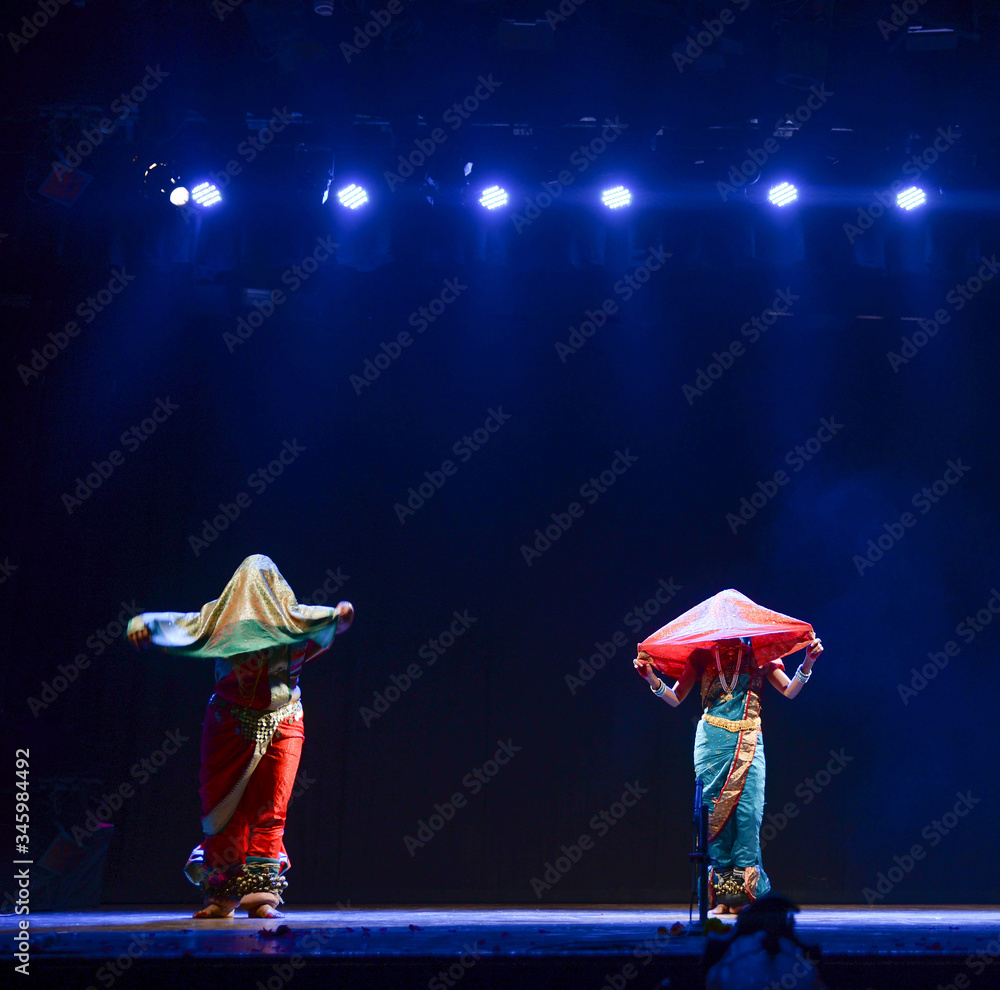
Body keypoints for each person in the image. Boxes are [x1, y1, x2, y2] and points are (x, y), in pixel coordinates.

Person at [126, 553, 353, 919]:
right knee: (220, 810)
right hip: (227, 725)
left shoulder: (292, 620)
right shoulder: (221, 620)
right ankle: (222, 893)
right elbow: (177, 624)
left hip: (283, 720)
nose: (256, 593)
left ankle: (262, 894)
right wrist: (143, 624)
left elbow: (333, 620)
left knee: (271, 807)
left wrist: (343, 613)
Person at [634, 631, 822, 914]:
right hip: (711, 743)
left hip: (748, 741)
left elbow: (789, 690)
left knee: (748, 815)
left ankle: (746, 898)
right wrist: (651, 679)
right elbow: (674, 698)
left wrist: (807, 662)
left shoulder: (761, 654)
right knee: (714, 819)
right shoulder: (701, 656)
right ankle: (725, 899)